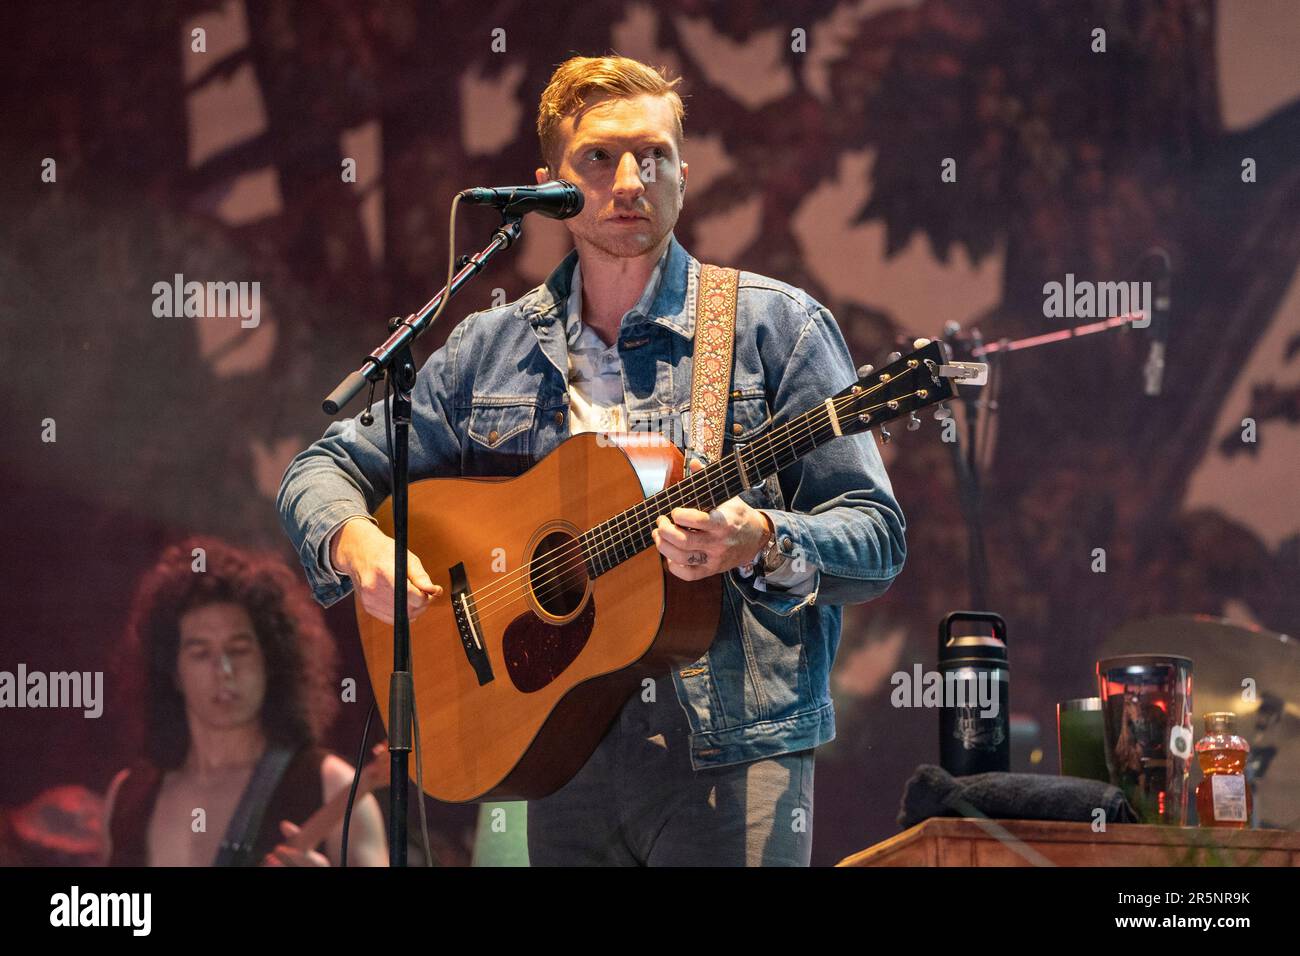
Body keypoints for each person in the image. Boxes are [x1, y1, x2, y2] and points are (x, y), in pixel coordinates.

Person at [277, 54, 906, 866]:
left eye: (655, 157)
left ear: (685, 173)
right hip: (552, 743)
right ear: (550, 184)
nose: (632, 180)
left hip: (729, 755)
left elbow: (877, 538)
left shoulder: (772, 329)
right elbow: (321, 468)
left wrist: (769, 542)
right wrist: (356, 544)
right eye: (600, 159)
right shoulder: (488, 350)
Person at [102, 538, 387, 866]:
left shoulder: (333, 785)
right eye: (200, 653)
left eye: (239, 650)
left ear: (271, 659)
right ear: (172, 671)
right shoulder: (127, 797)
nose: (223, 670)